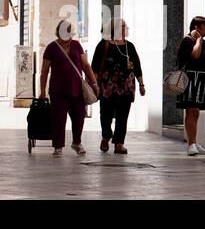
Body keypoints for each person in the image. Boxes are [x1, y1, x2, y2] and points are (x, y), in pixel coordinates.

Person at [39, 21, 99, 156]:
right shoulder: (51, 48)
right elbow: (44, 71)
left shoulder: (77, 45)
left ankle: (76, 142)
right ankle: (58, 146)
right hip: (58, 90)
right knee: (59, 118)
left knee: (79, 117)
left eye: (69, 31)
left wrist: (94, 83)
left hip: (76, 89)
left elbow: (85, 65)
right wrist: (42, 90)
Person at [91, 18, 145, 154]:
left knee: (123, 116)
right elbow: (95, 67)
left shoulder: (129, 46)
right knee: (106, 114)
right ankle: (106, 136)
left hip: (126, 87)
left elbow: (137, 66)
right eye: (123, 26)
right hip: (107, 87)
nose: (126, 29)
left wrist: (141, 84)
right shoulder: (104, 45)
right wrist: (94, 84)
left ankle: (119, 143)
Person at [177, 16, 205, 155]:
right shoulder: (187, 41)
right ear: (196, 28)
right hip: (190, 80)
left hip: (202, 80)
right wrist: (198, 40)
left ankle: (194, 142)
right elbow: (195, 55)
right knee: (191, 110)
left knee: (196, 112)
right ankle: (191, 144)